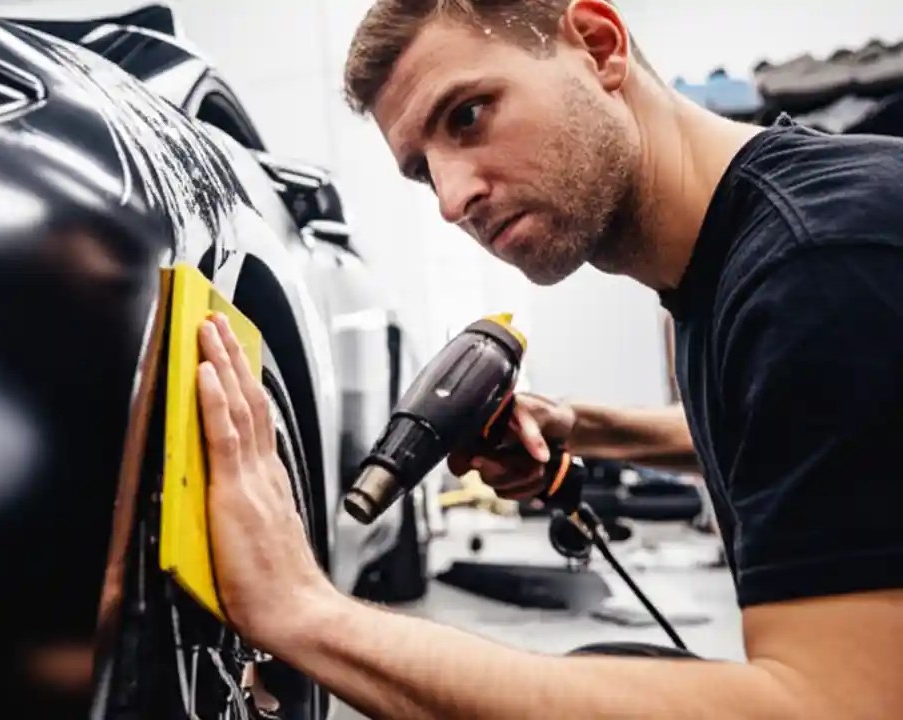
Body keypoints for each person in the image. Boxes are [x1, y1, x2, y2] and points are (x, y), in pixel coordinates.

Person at [192, 0, 903, 717]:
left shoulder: (818, 265)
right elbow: (804, 430)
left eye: (468, 115)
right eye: (420, 173)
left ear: (598, 46)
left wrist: (302, 611)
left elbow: (832, 705)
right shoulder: (750, 256)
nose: (450, 198)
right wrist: (583, 426)